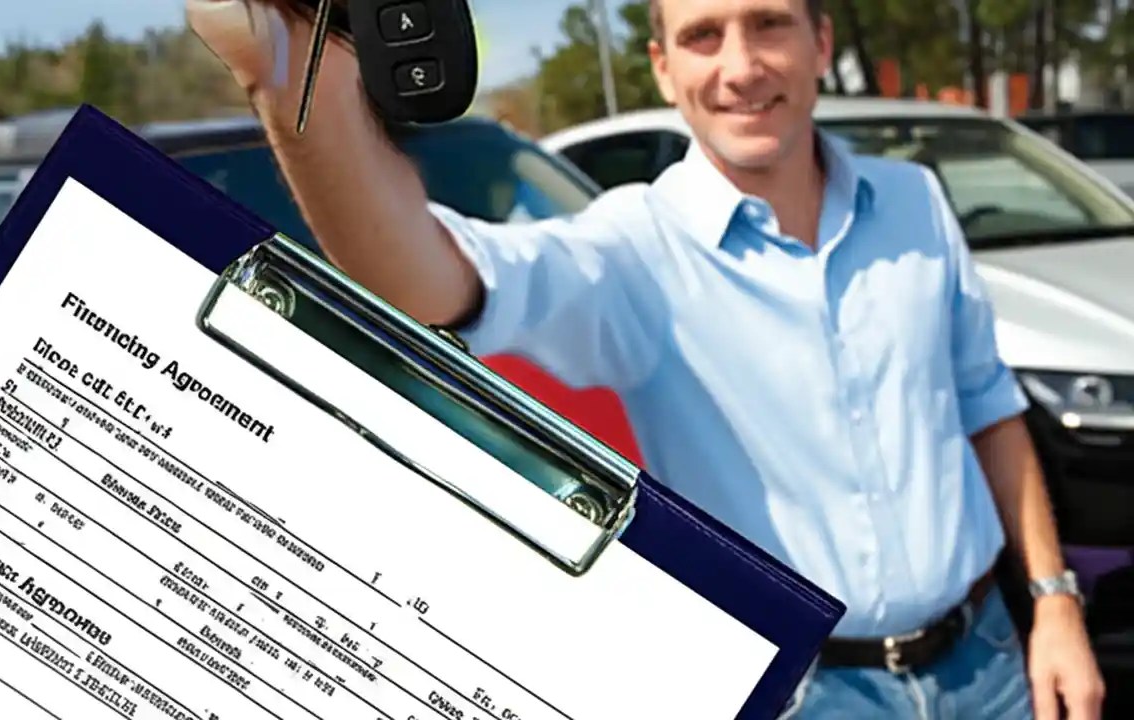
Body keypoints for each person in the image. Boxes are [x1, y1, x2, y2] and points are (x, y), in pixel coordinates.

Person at [186, 0, 1107, 716]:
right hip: (805, 699)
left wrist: (1055, 603)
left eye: (770, 25)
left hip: (991, 659)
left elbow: (986, 407)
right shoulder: (632, 249)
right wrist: (297, 87)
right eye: (703, 36)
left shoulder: (915, 203)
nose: (741, 66)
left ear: (820, 42)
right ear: (664, 67)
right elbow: (424, 277)